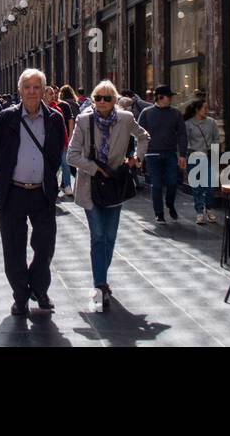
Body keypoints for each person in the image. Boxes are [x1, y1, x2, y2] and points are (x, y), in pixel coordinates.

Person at [0, 69, 65, 317]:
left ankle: (39, 288)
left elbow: (56, 153)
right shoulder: (5, 118)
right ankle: (20, 296)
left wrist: (48, 177)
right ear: (21, 90)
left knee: (45, 246)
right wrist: (6, 171)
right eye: (28, 87)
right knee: (13, 248)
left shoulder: (54, 119)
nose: (32, 91)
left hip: (42, 193)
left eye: (37, 87)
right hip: (13, 192)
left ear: (44, 90)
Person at [66, 80, 149, 312]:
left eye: (107, 98)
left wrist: (136, 158)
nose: (102, 102)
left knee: (110, 237)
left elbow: (144, 137)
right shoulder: (84, 121)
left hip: (115, 184)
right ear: (93, 99)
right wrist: (94, 168)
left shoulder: (125, 119)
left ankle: (101, 276)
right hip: (90, 185)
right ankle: (100, 284)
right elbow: (71, 156)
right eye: (98, 98)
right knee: (98, 236)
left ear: (115, 100)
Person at [138, 85, 187, 224]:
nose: (171, 99)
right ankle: (159, 213)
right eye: (168, 96)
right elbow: (139, 135)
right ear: (159, 97)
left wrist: (182, 154)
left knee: (172, 183)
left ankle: (170, 204)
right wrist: (139, 155)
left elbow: (182, 134)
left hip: (170, 152)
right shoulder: (146, 113)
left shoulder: (176, 113)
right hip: (152, 154)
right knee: (156, 185)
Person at [183, 98, 219, 223]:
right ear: (197, 110)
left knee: (210, 185)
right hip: (193, 157)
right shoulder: (188, 124)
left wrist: (213, 150)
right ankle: (199, 211)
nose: (207, 110)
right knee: (197, 186)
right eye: (205, 108)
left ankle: (209, 208)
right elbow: (184, 141)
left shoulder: (211, 122)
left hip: (208, 156)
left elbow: (216, 138)